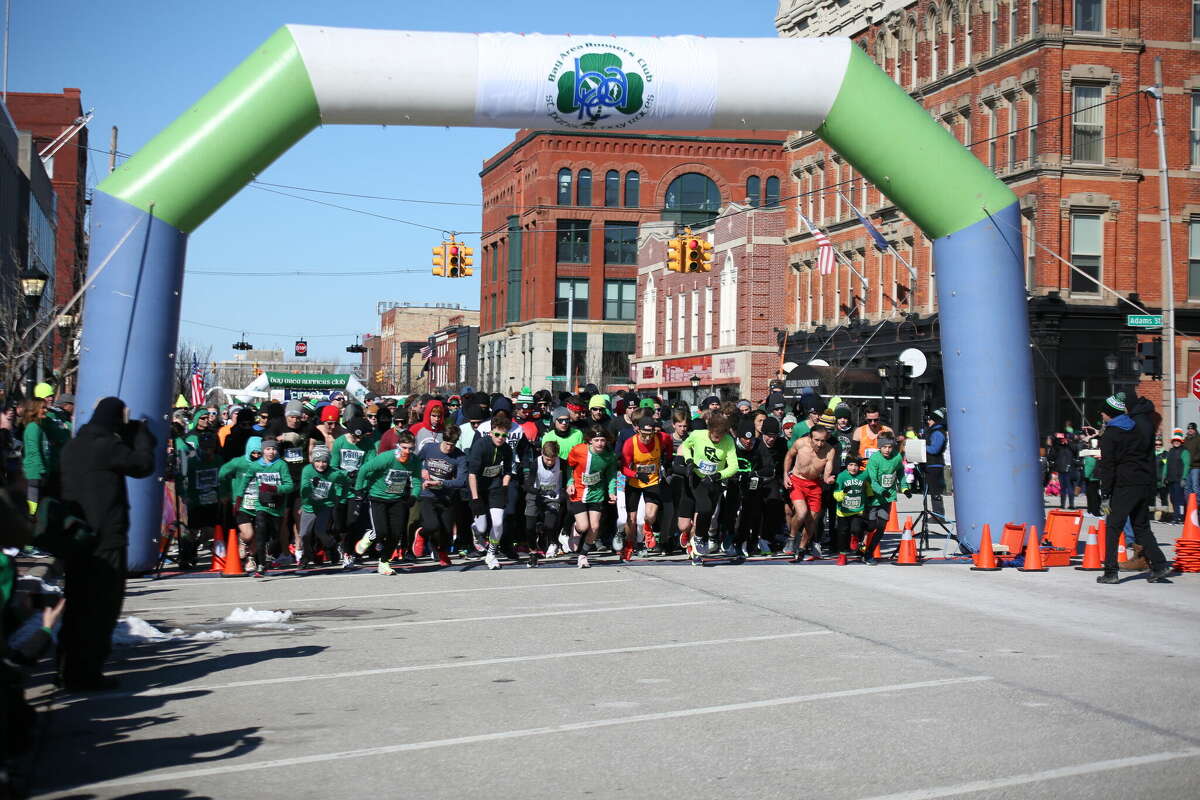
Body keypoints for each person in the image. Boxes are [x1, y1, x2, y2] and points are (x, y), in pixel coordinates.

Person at [58, 396, 156, 691]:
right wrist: (141, 437)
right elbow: (142, 466)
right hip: (106, 539)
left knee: (77, 604)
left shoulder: (73, 446)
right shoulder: (108, 446)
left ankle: (67, 668)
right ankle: (88, 673)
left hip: (76, 537)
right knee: (102, 606)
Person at [1096, 393, 1172, 584]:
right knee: (1141, 526)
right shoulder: (1135, 429)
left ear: (1109, 414)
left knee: (1113, 527)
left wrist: (1105, 493)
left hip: (1124, 485)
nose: (1102, 416)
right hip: (1142, 483)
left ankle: (1110, 571)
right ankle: (1160, 565)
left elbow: (1108, 467)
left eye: (1104, 413)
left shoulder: (1110, 435)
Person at [675, 412, 739, 566]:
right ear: (709, 430)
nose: (718, 439)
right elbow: (686, 446)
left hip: (714, 481)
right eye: (715, 436)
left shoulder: (728, 441)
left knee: (709, 513)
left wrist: (717, 475)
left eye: (721, 436)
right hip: (697, 478)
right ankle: (698, 539)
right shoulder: (698, 435)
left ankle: (698, 544)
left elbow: (734, 466)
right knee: (704, 508)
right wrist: (689, 461)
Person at [355, 432, 423, 574]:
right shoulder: (387, 458)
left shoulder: (415, 461)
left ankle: (384, 562)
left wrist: (414, 496)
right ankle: (369, 536)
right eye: (404, 448)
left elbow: (417, 482)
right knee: (381, 532)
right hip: (377, 497)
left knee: (396, 533)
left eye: (410, 448)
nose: (407, 452)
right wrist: (359, 490)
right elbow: (364, 469)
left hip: (397, 499)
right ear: (398, 446)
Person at [618, 415, 672, 562]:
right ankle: (629, 544)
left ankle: (648, 527)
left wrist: (668, 459)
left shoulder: (661, 438)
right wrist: (636, 474)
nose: (648, 438)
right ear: (638, 430)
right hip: (634, 483)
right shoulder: (630, 443)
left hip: (652, 481)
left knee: (650, 515)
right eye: (644, 434)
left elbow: (669, 442)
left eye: (651, 434)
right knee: (632, 518)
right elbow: (623, 468)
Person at [565, 427, 618, 568]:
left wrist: (612, 491)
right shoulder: (578, 450)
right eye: (596, 440)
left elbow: (611, 475)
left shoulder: (609, 456)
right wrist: (570, 483)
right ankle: (575, 528)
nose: (600, 443)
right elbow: (569, 467)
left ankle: (583, 555)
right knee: (584, 526)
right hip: (579, 492)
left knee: (594, 527)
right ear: (590, 441)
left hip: (597, 493)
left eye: (602, 440)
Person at [417, 425, 467, 568]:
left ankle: (442, 552)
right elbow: (413, 462)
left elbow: (461, 481)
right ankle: (421, 534)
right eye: (447, 444)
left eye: (452, 445)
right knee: (432, 525)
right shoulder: (429, 448)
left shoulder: (460, 457)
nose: (449, 448)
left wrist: (440, 482)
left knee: (446, 530)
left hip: (446, 496)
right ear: (442, 440)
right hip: (427, 494)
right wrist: (421, 470)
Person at [468, 413, 514, 570]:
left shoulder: (507, 449)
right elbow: (472, 474)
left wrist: (505, 488)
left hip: (495, 487)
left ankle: (492, 553)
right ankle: (475, 530)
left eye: (504, 435)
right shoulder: (481, 445)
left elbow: (508, 471)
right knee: (481, 528)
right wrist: (475, 499)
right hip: (479, 488)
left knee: (498, 523)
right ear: (490, 433)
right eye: (497, 434)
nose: (500, 438)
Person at [783, 424, 835, 561]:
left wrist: (828, 479)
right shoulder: (800, 443)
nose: (819, 443)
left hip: (815, 485)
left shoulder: (830, 451)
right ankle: (792, 537)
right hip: (798, 481)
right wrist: (785, 475)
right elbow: (789, 456)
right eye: (816, 440)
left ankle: (802, 548)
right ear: (810, 437)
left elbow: (826, 473)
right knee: (801, 512)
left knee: (811, 520)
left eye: (823, 440)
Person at [297, 445, 351, 569]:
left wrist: (341, 497)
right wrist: (310, 491)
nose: (321, 464)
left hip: (325, 505)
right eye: (318, 461)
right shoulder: (307, 470)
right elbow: (303, 489)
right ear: (313, 461)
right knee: (304, 534)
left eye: (324, 461)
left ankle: (332, 547)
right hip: (309, 506)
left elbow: (346, 482)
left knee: (320, 531)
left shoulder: (334, 474)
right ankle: (306, 557)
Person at [860, 434, 910, 563]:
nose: (887, 450)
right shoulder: (874, 459)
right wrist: (882, 491)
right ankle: (860, 539)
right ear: (879, 447)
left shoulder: (897, 457)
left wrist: (904, 488)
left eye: (890, 447)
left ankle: (869, 553)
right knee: (871, 526)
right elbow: (872, 480)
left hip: (887, 498)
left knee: (881, 526)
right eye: (884, 447)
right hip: (873, 497)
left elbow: (900, 473)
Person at [521, 440, 568, 566]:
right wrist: (540, 491)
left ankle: (546, 536)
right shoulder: (536, 463)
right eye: (547, 459)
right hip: (535, 494)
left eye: (553, 459)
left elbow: (569, 477)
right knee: (529, 527)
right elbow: (528, 485)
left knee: (550, 525)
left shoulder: (562, 463)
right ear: (542, 454)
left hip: (553, 496)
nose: (550, 462)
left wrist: (565, 489)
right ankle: (533, 553)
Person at [832, 456, 872, 555]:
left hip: (858, 510)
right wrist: (844, 493)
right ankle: (842, 554)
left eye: (856, 465)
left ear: (860, 467)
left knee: (856, 528)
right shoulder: (842, 476)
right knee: (843, 532)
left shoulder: (864, 475)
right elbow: (836, 495)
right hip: (843, 511)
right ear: (846, 466)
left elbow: (868, 487)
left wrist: (870, 497)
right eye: (850, 465)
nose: (853, 468)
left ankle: (856, 538)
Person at [923, 408, 948, 518]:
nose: (928, 421)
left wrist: (921, 446)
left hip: (935, 465)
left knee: (935, 491)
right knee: (932, 490)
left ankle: (938, 515)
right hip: (930, 464)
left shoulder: (938, 432)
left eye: (930, 419)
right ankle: (936, 514)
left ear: (936, 420)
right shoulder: (934, 431)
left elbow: (934, 449)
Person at [1162, 429, 1190, 524]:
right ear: (1173, 442)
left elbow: (1186, 465)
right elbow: (1166, 464)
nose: (1176, 442)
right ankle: (1175, 516)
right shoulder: (1170, 451)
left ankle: (1181, 517)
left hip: (1179, 479)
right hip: (1171, 479)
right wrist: (1164, 476)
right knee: (1173, 498)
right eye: (1175, 441)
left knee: (1180, 499)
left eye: (1178, 441)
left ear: (1181, 442)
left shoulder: (1184, 452)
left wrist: (1184, 478)